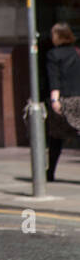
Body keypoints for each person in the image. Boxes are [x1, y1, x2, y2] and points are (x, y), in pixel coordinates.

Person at [46, 22, 80, 182]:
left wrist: (54, 99)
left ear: (60, 36)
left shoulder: (53, 55)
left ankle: (50, 172)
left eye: (53, 34)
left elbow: (55, 79)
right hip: (78, 100)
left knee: (55, 138)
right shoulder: (77, 52)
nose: (51, 38)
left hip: (64, 100)